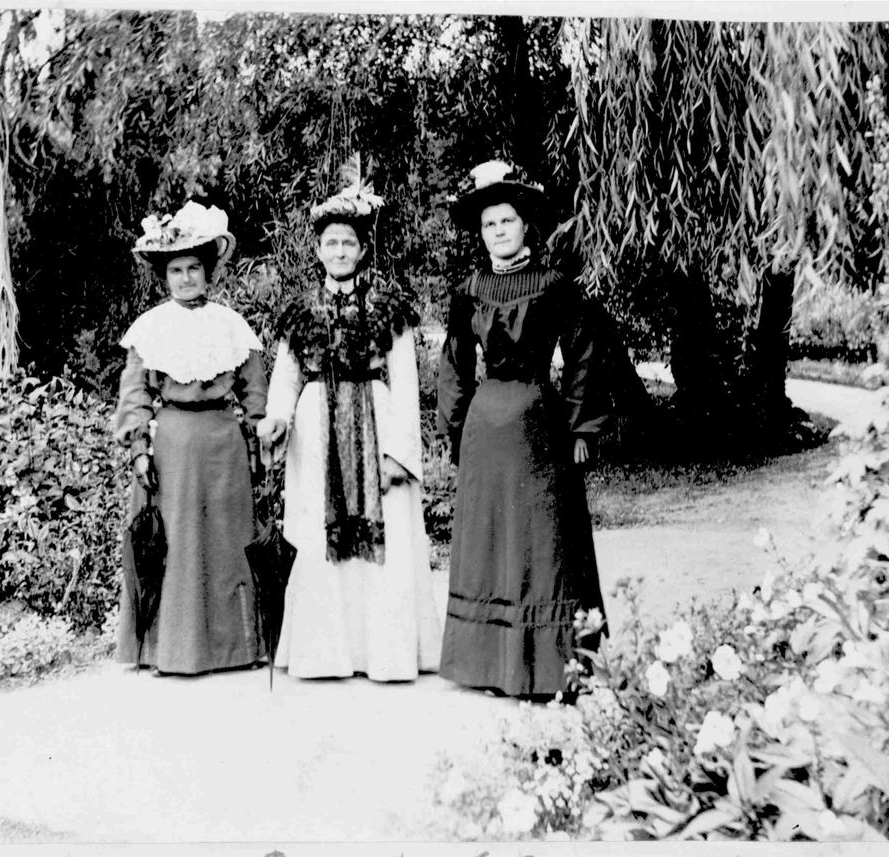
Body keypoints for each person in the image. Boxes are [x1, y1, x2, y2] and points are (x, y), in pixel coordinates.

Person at [256, 169, 442, 682]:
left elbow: (404, 381)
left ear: (362, 250)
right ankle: (325, 655)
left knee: (387, 537)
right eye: (330, 243)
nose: (339, 251)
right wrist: (277, 420)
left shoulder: (388, 306)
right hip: (315, 436)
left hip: (377, 424)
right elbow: (286, 377)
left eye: (348, 243)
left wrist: (398, 453)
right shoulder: (301, 311)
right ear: (317, 250)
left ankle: (385, 655)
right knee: (317, 537)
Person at [436, 160, 608, 700]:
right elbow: (455, 362)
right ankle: (488, 664)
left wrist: (582, 426)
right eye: (489, 225)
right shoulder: (469, 289)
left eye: (507, 221)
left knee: (543, 541)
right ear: (480, 232)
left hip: (538, 421)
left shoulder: (556, 286)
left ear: (525, 225)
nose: (499, 232)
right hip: (486, 426)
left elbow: (582, 353)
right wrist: (457, 427)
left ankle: (553, 668)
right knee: (490, 539)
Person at [112, 201, 267, 674]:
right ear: (165, 277)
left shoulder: (231, 326)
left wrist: (257, 440)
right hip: (173, 445)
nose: (185, 279)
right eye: (176, 270)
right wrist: (139, 447)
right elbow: (135, 393)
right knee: (175, 545)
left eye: (193, 268)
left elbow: (255, 389)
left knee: (226, 541)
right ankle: (170, 651)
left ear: (208, 272)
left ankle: (234, 650)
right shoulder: (151, 329)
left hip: (223, 444)